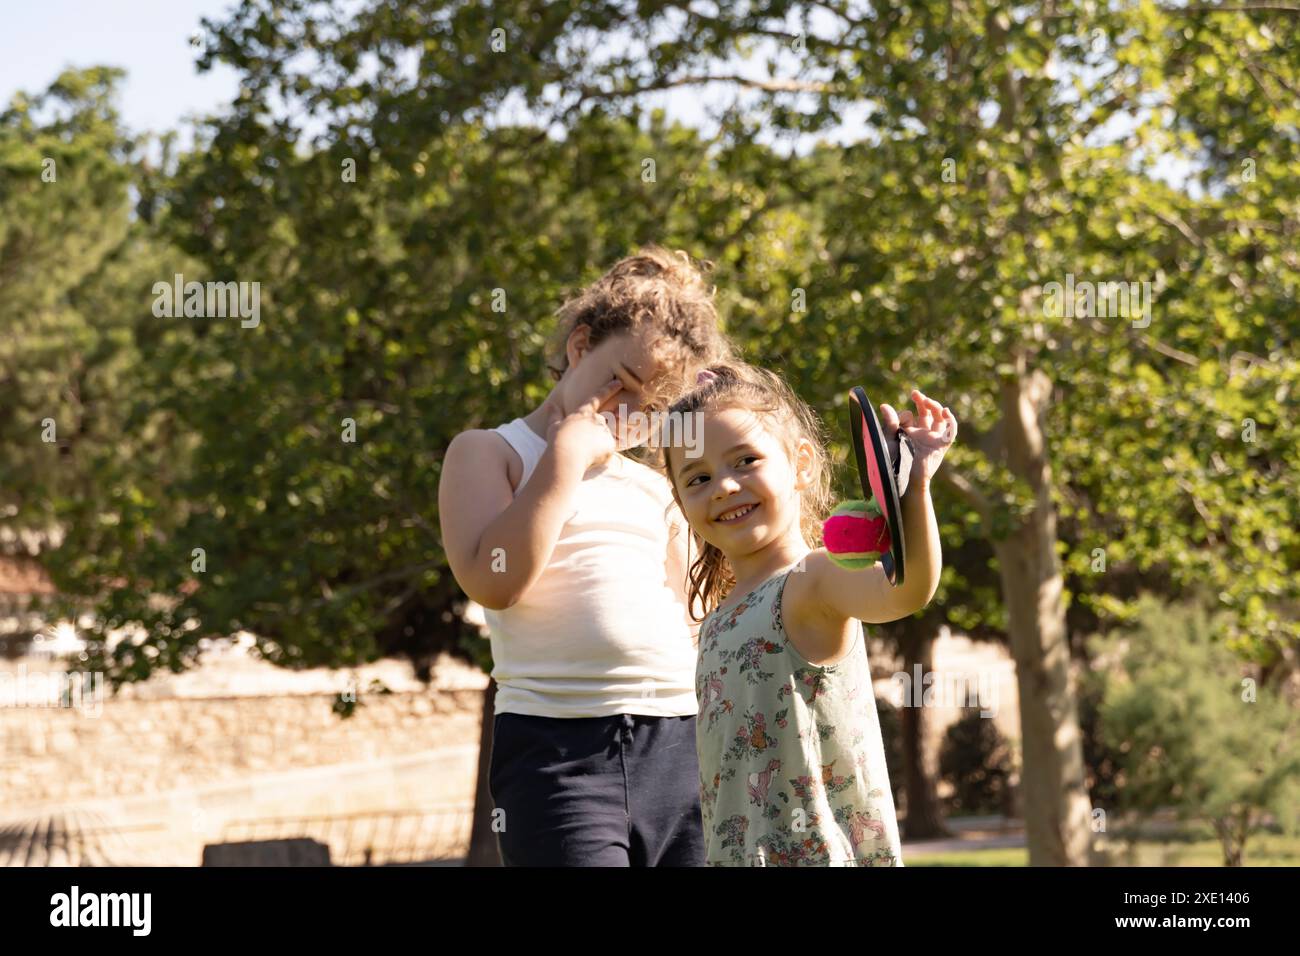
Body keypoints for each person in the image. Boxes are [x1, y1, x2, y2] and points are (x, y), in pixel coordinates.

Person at [438, 245, 731, 865]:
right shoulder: (492, 452)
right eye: (619, 383)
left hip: (679, 742)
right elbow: (496, 582)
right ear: (578, 347)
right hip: (557, 752)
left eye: (653, 409)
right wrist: (566, 455)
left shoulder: (656, 488)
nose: (629, 414)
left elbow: (692, 620)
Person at [660, 362, 958, 865]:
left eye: (746, 461)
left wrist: (914, 486)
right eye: (699, 478)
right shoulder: (717, 620)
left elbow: (906, 591)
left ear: (801, 464)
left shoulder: (812, 581)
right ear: (681, 501)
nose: (724, 487)